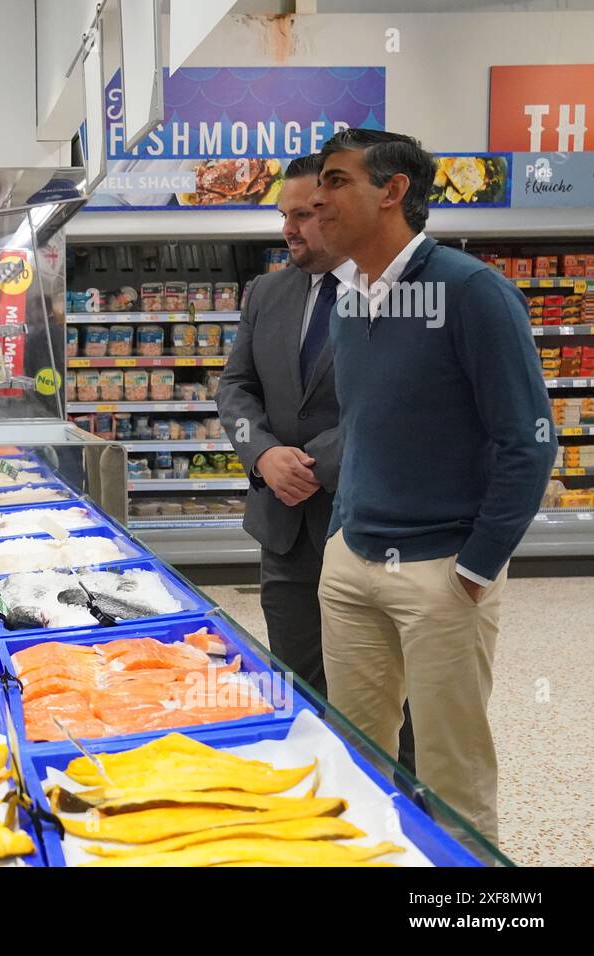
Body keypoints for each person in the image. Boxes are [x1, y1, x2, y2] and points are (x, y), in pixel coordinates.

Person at [311, 128, 553, 842]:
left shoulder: (473, 292)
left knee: (452, 774)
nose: (318, 198)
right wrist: (340, 535)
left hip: (442, 572)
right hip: (353, 564)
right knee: (353, 761)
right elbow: (365, 423)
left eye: (336, 181)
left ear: (393, 192)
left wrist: (476, 566)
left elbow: (528, 442)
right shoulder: (350, 297)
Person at [217, 154, 353, 703]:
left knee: (392, 701)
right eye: (284, 215)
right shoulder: (268, 293)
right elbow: (235, 387)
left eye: (303, 215)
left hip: (359, 522)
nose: (287, 229)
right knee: (296, 685)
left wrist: (318, 464)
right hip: (283, 528)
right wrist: (264, 454)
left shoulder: (392, 292)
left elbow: (397, 403)